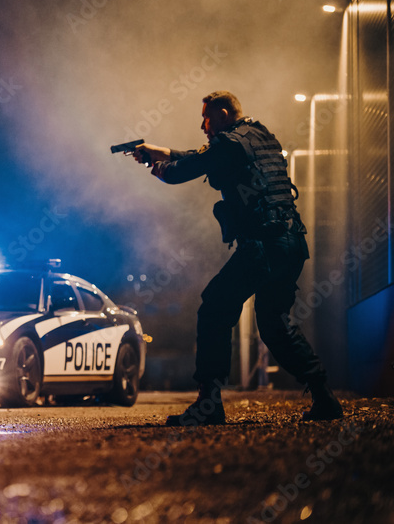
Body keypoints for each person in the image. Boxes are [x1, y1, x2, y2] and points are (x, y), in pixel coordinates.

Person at [133, 91, 343, 426]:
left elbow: (186, 168)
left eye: (207, 118)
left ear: (225, 113)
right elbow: (202, 156)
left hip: (263, 245)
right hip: (290, 244)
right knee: (275, 324)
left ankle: (208, 405)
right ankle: (324, 396)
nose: (203, 125)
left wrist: (160, 169)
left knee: (215, 309)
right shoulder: (259, 136)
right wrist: (160, 151)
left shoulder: (229, 143)